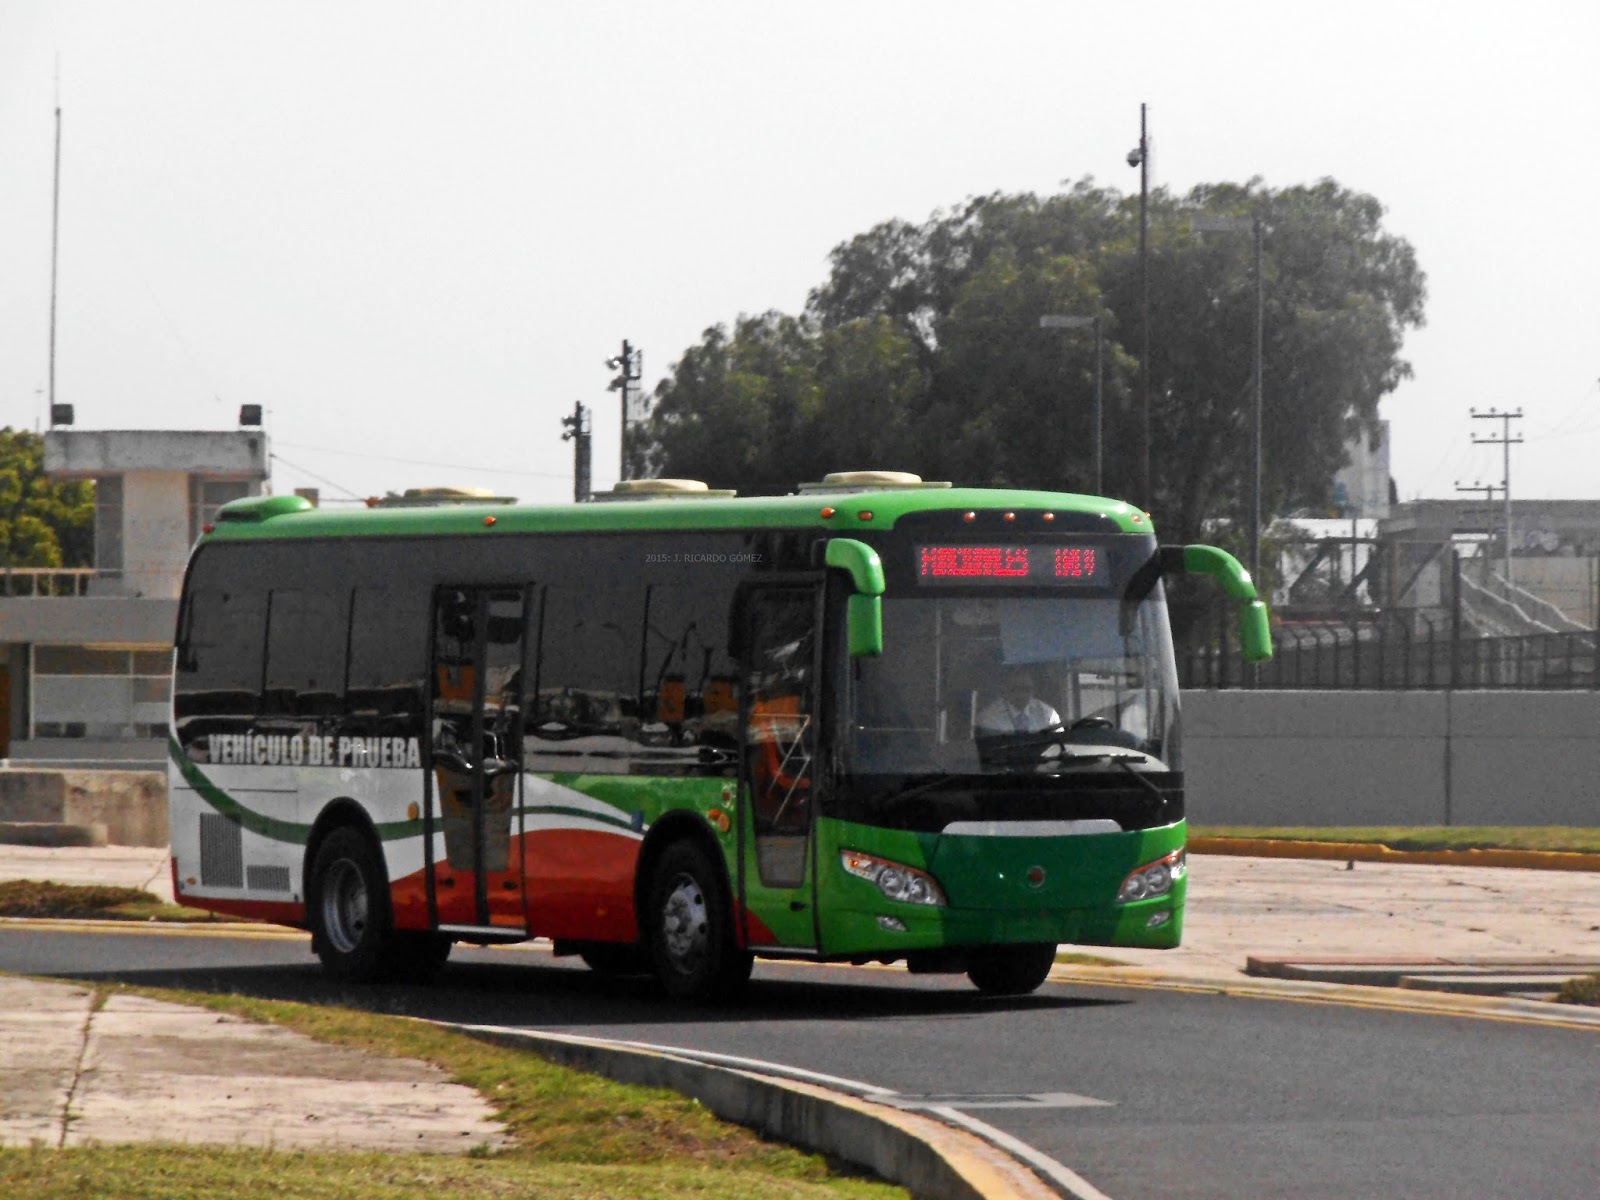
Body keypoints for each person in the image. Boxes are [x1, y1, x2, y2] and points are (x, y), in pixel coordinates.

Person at [975, 667, 1061, 735]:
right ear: (1005, 691)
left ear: (1034, 690)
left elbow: (1061, 744)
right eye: (1015, 689)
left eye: (1026, 689)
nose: (1021, 694)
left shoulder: (1047, 714)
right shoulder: (989, 718)